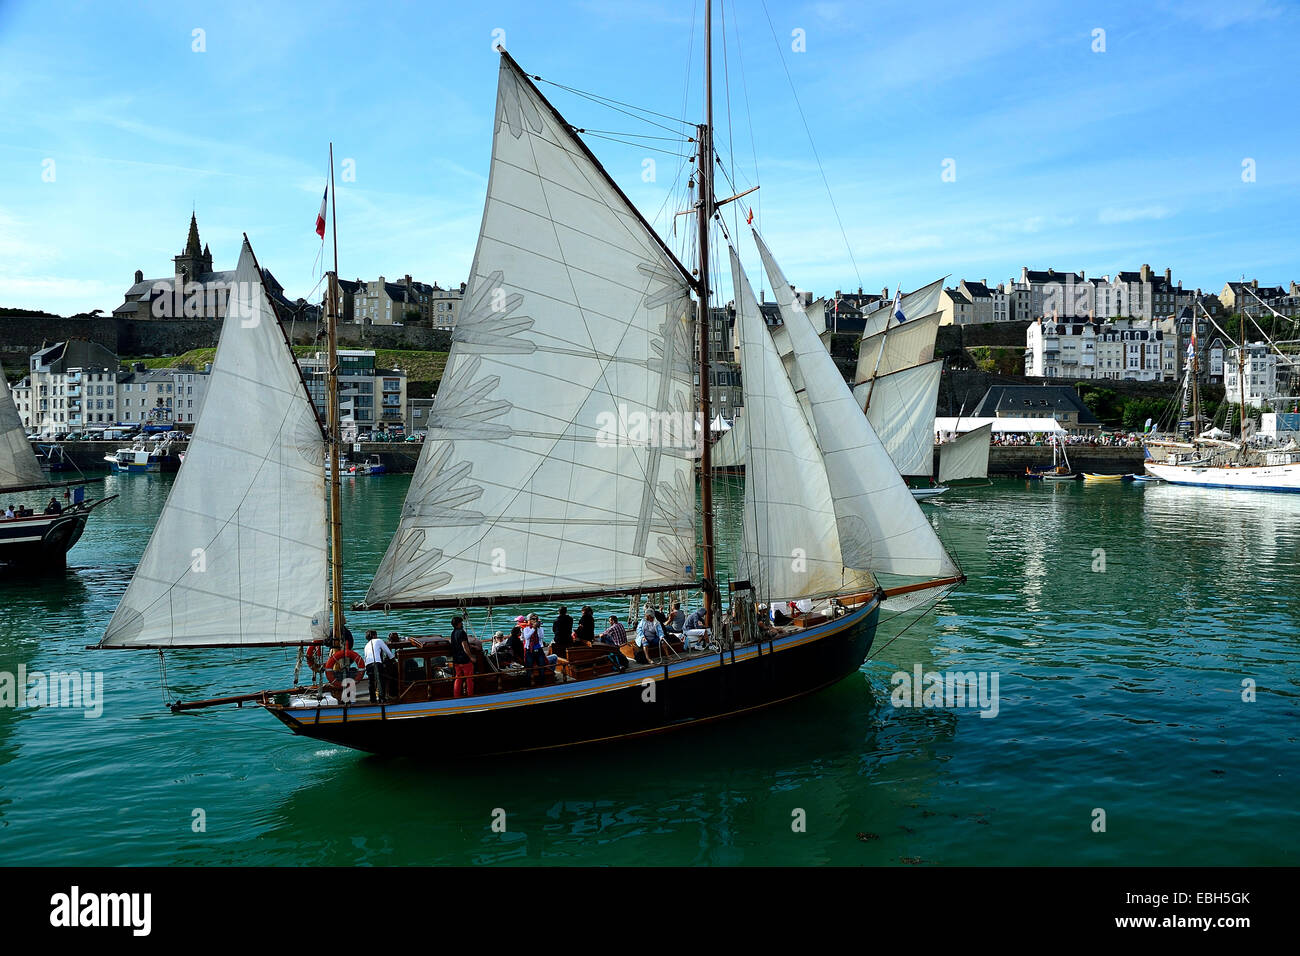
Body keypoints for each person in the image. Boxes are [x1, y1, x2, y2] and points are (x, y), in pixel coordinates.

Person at [450, 616, 480, 698]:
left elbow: (459, 644)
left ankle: (456, 695)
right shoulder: (461, 632)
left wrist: (471, 646)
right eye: (461, 622)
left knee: (458, 678)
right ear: (459, 623)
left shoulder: (453, 633)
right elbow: (464, 645)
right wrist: (471, 657)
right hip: (465, 660)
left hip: (456, 660)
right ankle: (470, 695)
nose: (462, 624)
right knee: (469, 678)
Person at [362, 629, 395, 703]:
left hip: (368, 664)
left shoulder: (366, 646)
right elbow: (388, 652)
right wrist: (393, 660)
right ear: (374, 636)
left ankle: (372, 700)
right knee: (380, 681)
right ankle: (382, 698)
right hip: (376, 663)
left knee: (371, 682)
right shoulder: (378, 641)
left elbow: (365, 657)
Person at [521, 614, 550, 683]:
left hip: (538, 649)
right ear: (530, 620)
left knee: (542, 666)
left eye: (536, 619)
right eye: (533, 619)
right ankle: (528, 682)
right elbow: (527, 637)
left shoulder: (540, 629)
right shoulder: (526, 629)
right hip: (530, 650)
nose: (534, 620)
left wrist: (538, 628)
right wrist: (533, 628)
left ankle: (542, 682)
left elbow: (541, 636)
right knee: (529, 667)